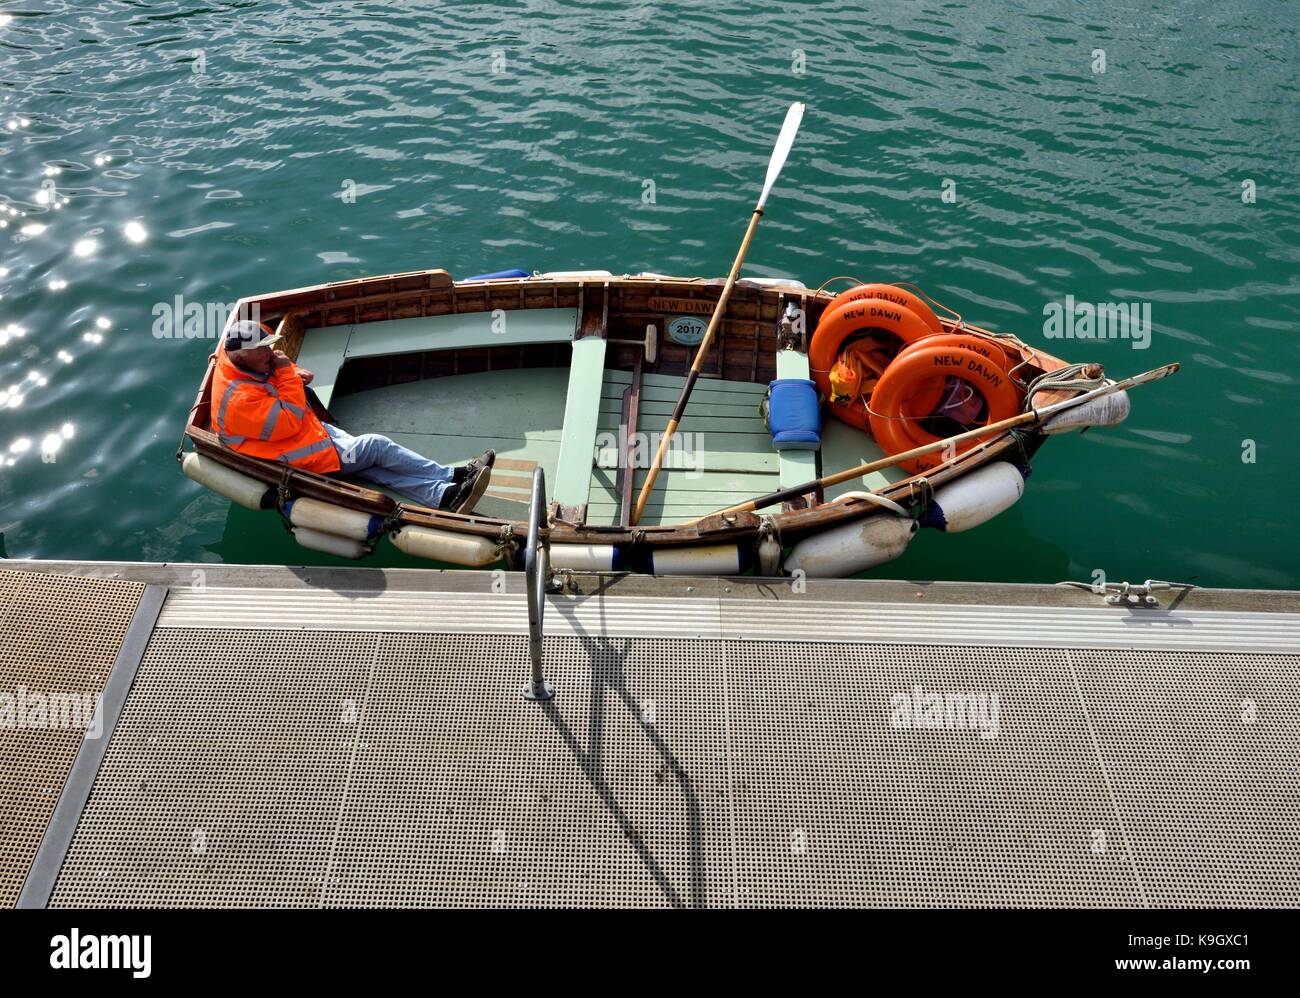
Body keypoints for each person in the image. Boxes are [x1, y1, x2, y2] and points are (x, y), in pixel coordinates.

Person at [210, 320, 493, 512]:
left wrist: (291, 372)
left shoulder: (239, 358)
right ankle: (451, 475)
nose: (270, 352)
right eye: (262, 348)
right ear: (241, 354)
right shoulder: (239, 400)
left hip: (303, 433)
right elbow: (289, 420)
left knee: (368, 466)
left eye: (269, 344)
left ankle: (444, 495)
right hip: (294, 455)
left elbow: (272, 366)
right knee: (375, 447)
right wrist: (287, 374)